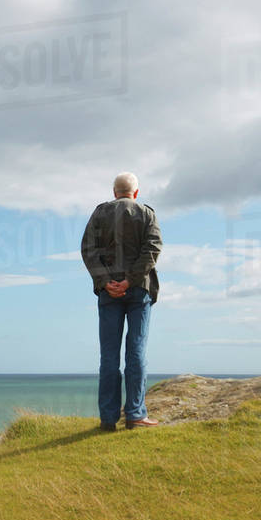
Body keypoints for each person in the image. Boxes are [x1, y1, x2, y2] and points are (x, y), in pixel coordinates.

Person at [80, 172, 163, 431]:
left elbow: (88, 249)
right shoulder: (147, 213)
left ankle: (107, 419)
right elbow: (153, 248)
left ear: (114, 191)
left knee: (109, 356)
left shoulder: (100, 213)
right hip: (139, 290)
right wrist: (131, 280)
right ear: (135, 193)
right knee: (136, 353)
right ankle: (136, 415)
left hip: (108, 293)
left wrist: (106, 281)